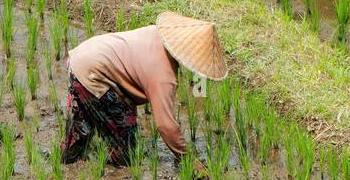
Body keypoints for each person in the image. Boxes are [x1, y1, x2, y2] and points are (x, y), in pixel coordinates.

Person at [61, 11, 228, 166]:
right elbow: (165, 125)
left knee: (80, 130)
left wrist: (200, 94)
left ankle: (65, 164)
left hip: (80, 59)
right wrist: (187, 160)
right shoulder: (163, 76)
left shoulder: (156, 33)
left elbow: (197, 68)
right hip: (96, 75)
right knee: (127, 153)